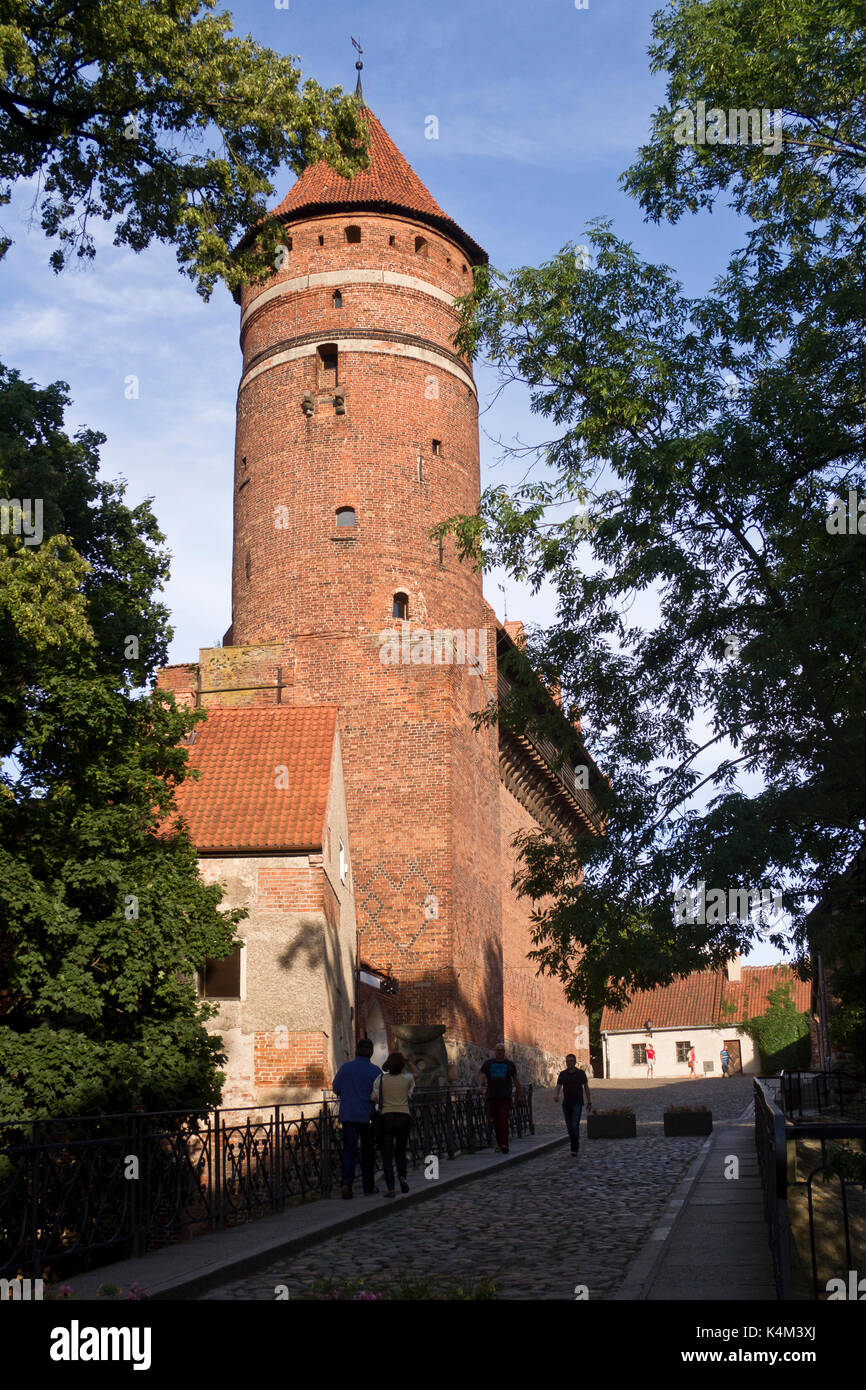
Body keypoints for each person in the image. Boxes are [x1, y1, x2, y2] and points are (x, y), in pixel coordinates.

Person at [332, 1038, 381, 1198]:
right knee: (368, 1152)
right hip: (368, 1116)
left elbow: (336, 1087)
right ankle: (368, 1186)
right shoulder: (375, 1071)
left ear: (356, 1051)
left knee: (349, 1151)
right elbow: (380, 1094)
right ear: (371, 1053)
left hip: (349, 1114)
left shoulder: (346, 1068)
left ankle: (347, 1184)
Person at [372, 1052, 414, 1197]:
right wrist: (408, 1062)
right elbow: (417, 1074)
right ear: (401, 1065)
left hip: (387, 1118)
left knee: (387, 1154)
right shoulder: (407, 1078)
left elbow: (373, 1098)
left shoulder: (380, 1079)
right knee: (401, 1151)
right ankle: (402, 1177)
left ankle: (390, 1188)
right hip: (404, 1116)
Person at [479, 1043, 523, 1152]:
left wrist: (520, 1094)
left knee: (503, 1120)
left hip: (505, 1096)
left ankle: (504, 1144)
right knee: (496, 1121)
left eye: (501, 1050)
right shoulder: (488, 1064)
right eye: (497, 1050)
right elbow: (481, 1075)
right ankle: (499, 1144)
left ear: (504, 1052)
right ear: (495, 1051)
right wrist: (479, 1086)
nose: (499, 1052)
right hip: (492, 1096)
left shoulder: (510, 1064)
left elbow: (516, 1080)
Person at [553, 1053, 591, 1155]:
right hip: (566, 1104)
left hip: (577, 1103)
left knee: (575, 1125)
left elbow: (586, 1088)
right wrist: (556, 1095)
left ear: (575, 1062)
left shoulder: (581, 1074)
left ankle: (574, 1147)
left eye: (571, 1061)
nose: (569, 1063)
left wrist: (589, 1101)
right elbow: (558, 1086)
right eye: (567, 1061)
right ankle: (573, 1143)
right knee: (569, 1126)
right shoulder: (562, 1074)